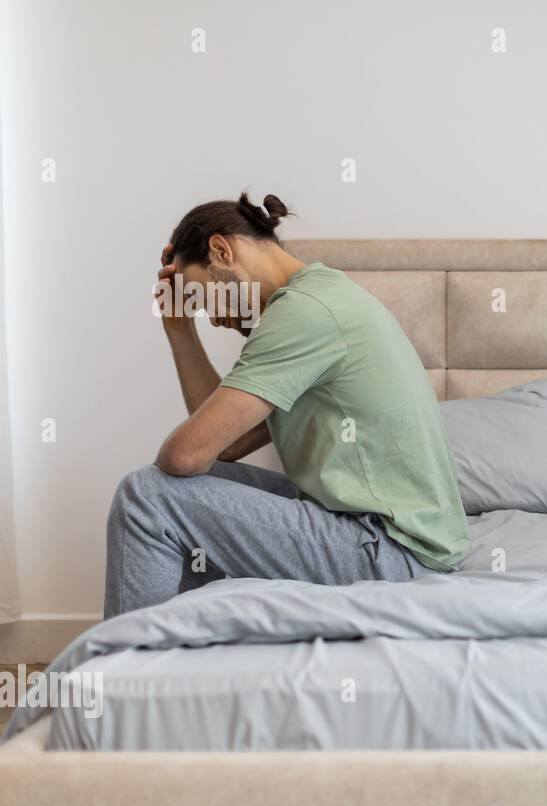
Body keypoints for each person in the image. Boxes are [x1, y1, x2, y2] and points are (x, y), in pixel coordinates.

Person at [104, 192, 467, 618]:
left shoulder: (303, 314)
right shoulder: (320, 294)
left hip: (393, 552)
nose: (215, 320)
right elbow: (225, 445)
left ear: (221, 251)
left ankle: (127, 670)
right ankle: (177, 641)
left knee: (145, 496)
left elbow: (185, 455)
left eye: (202, 300)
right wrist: (179, 329)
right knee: (190, 484)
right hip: (400, 541)